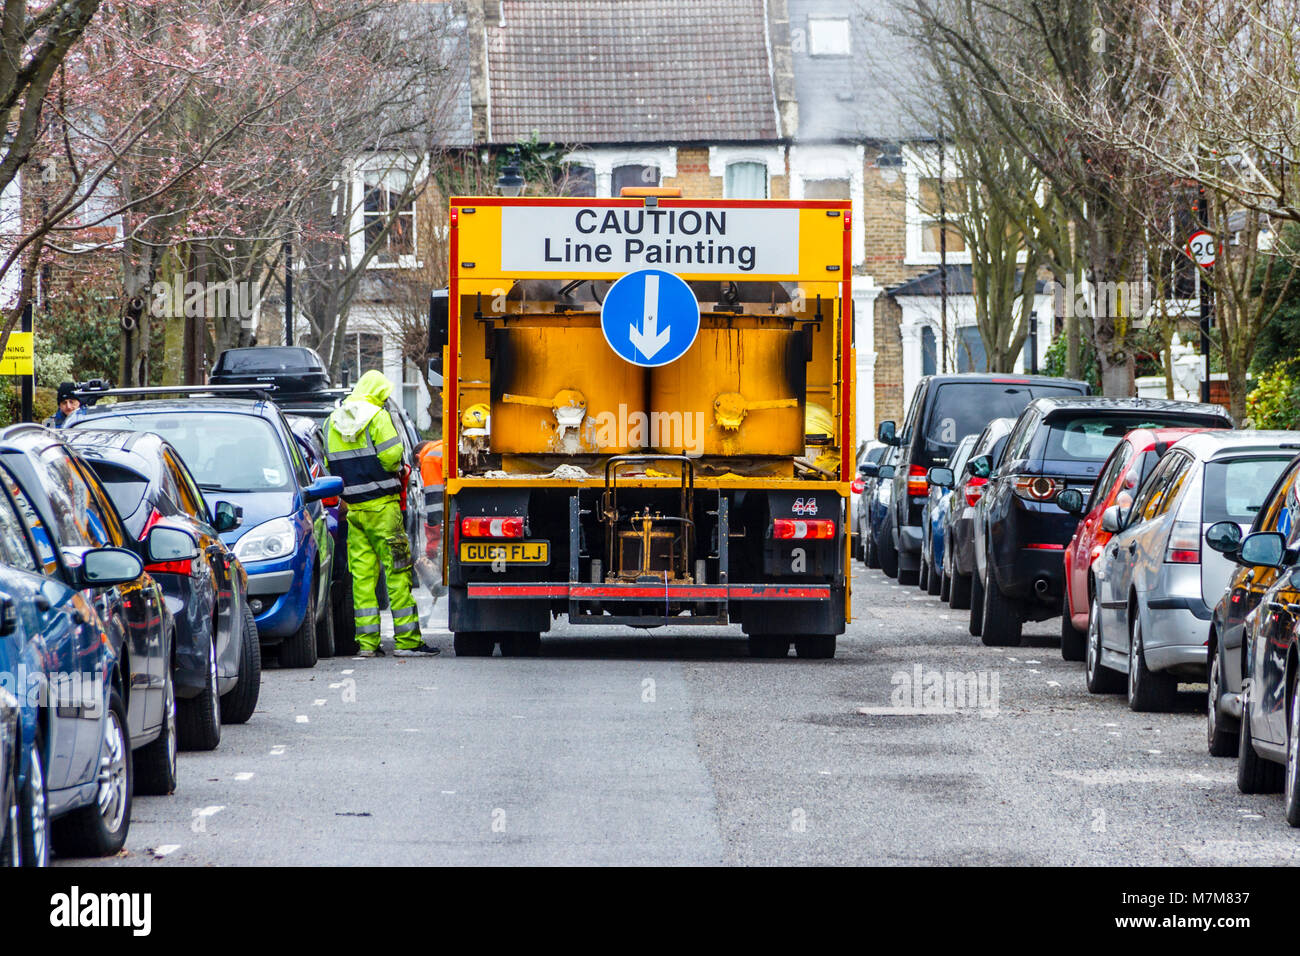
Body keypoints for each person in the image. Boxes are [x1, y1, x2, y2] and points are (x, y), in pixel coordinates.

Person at [325, 370, 438, 658]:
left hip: (354, 511)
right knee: (398, 572)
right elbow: (390, 457)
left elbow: (330, 462)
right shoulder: (377, 417)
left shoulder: (332, 421)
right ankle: (408, 642)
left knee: (362, 578)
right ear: (377, 392)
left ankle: (367, 644)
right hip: (384, 510)